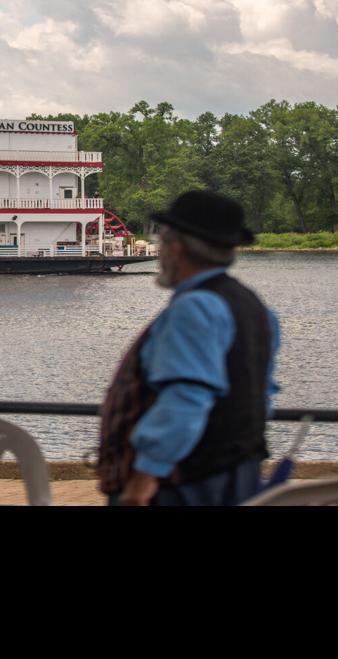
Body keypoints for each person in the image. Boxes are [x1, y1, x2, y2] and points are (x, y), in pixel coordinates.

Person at [96, 190, 281, 506]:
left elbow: (186, 398)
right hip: (234, 473)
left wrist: (144, 478)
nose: (159, 254)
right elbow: (260, 395)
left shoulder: (194, 308)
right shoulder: (256, 308)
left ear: (176, 247)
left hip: (182, 484)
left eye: (161, 244)